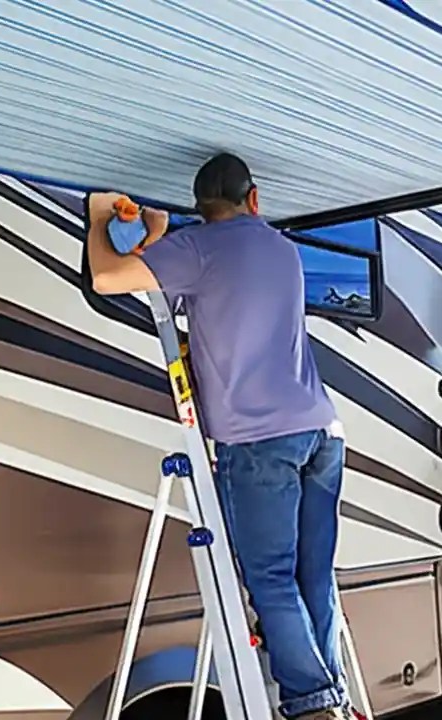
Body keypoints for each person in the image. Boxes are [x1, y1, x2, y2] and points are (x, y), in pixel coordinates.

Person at [87, 153, 349, 720]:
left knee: (272, 579)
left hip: (259, 442)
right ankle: (329, 696)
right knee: (314, 578)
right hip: (323, 432)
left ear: (203, 208)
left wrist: (98, 215)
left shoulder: (199, 249)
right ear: (254, 200)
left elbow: (108, 278)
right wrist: (157, 236)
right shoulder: (283, 250)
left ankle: (314, 707)